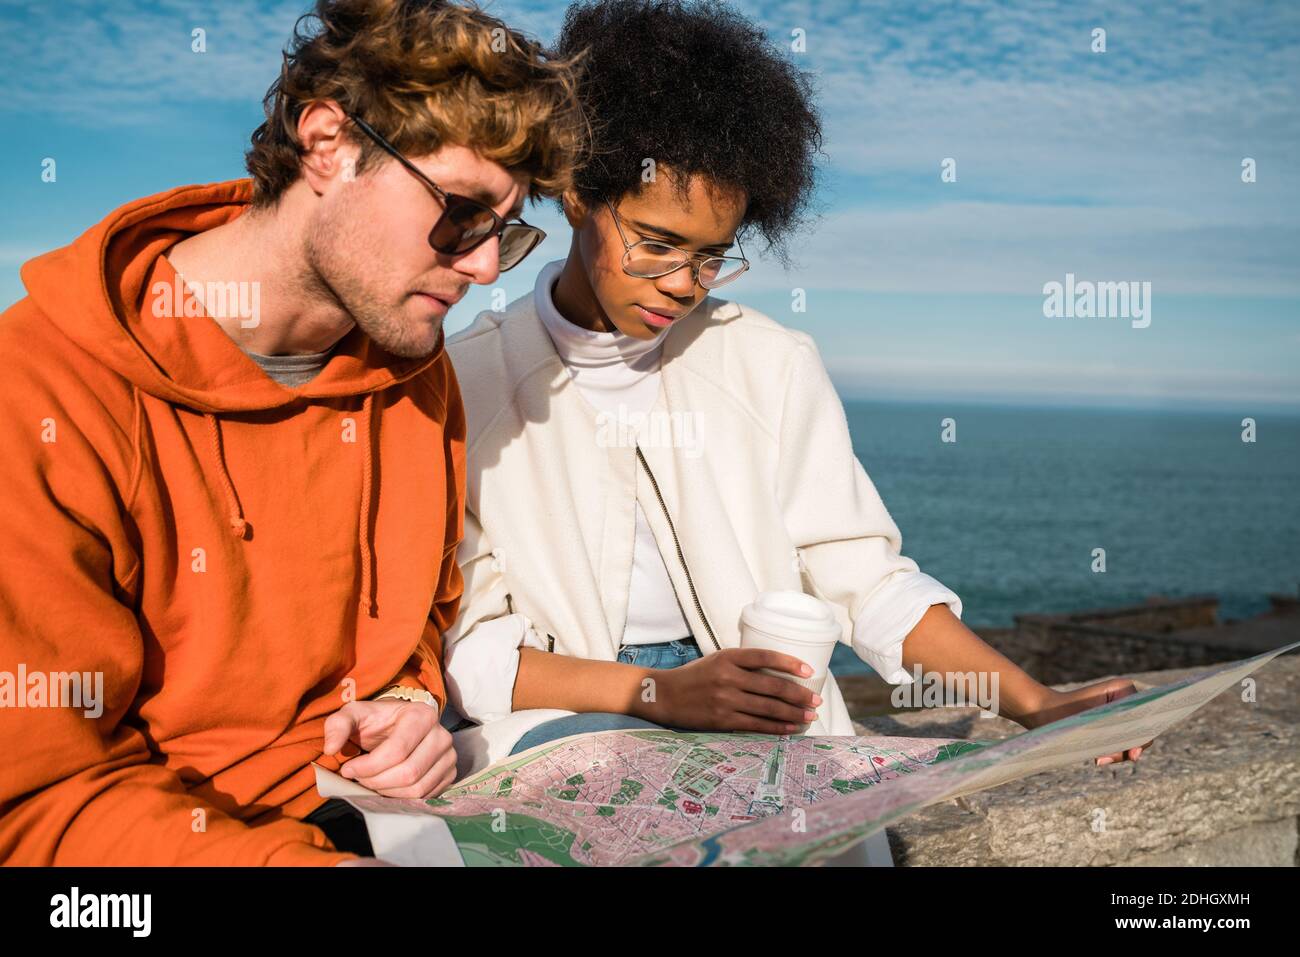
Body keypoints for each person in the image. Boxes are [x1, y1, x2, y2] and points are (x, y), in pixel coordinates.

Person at [441, 0, 1153, 780]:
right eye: (656, 243)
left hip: (774, 718)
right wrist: (663, 691)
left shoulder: (769, 363)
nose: (682, 284)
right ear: (577, 191)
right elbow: (475, 653)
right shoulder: (466, 383)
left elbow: (867, 582)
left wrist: (1037, 705)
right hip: (568, 728)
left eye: (711, 256)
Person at [0, 0, 585, 865]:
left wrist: (410, 701)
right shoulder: (41, 390)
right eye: (460, 210)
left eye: (507, 230)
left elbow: (420, 620)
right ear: (328, 143)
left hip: (386, 816)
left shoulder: (417, 377)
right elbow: (39, 799)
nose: (486, 266)